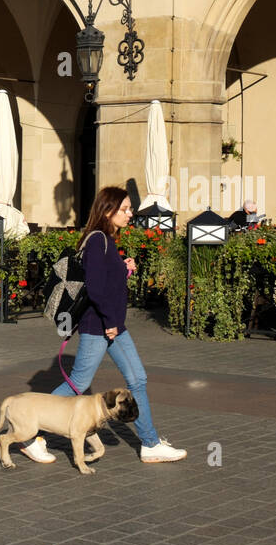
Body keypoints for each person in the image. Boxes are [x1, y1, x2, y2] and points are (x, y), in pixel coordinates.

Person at [23, 186, 186, 466]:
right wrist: (110, 322)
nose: (130, 214)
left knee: (138, 380)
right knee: (79, 383)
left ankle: (150, 444)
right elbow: (96, 289)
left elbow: (106, 281)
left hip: (113, 325)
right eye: (125, 209)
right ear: (107, 210)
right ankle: (32, 437)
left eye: (130, 209)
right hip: (100, 325)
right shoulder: (98, 240)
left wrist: (124, 268)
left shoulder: (108, 240)